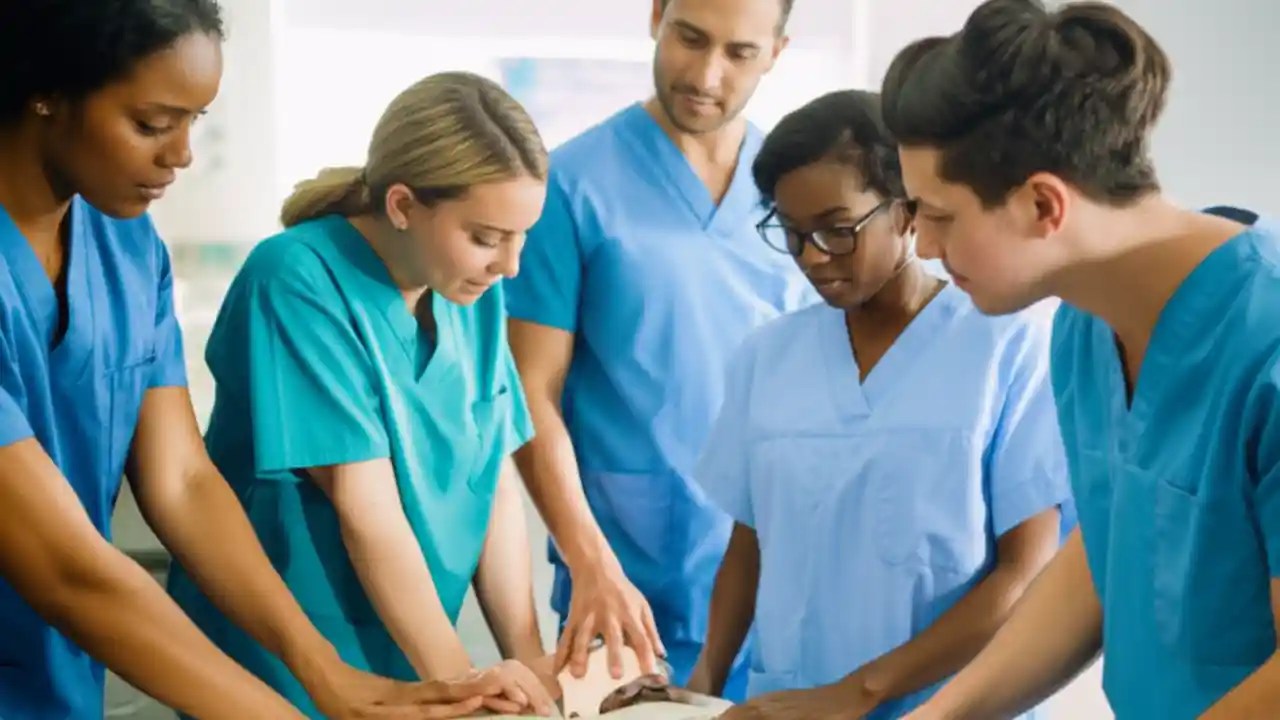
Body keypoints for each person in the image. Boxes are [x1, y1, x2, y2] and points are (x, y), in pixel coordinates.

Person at [0, 2, 502, 719]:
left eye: (193, 122)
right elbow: (64, 572)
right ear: (47, 90)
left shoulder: (131, 252)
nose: (180, 156)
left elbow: (182, 480)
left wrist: (324, 672)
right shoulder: (293, 276)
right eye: (151, 123)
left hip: (58, 679)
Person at [879, 1, 1280, 718]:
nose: (924, 249)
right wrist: (937, 715)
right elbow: (1115, 545)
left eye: (937, 216)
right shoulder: (1082, 328)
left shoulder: (1265, 347)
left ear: (1043, 205)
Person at [165, 71, 560, 718]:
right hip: (287, 667)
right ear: (403, 205)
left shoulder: (473, 293)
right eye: (487, 237)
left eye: (522, 237)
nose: (509, 265)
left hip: (409, 655)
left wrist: (530, 669)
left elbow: (491, 487)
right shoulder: (296, 278)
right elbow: (365, 509)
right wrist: (461, 686)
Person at [685, 90, 1072, 720]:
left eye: (838, 230)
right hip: (791, 699)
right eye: (791, 232)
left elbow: (1025, 572)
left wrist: (860, 692)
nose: (813, 257)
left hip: (946, 706)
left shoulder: (1004, 345)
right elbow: (749, 546)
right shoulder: (768, 357)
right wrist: (703, 683)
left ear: (907, 210)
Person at [503, 0, 817, 699]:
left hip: (780, 589)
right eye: (690, 38)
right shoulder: (570, 184)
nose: (705, 74)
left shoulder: (800, 191)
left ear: (777, 52)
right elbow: (530, 391)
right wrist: (591, 562)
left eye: (739, 52)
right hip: (622, 594)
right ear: (655, 17)